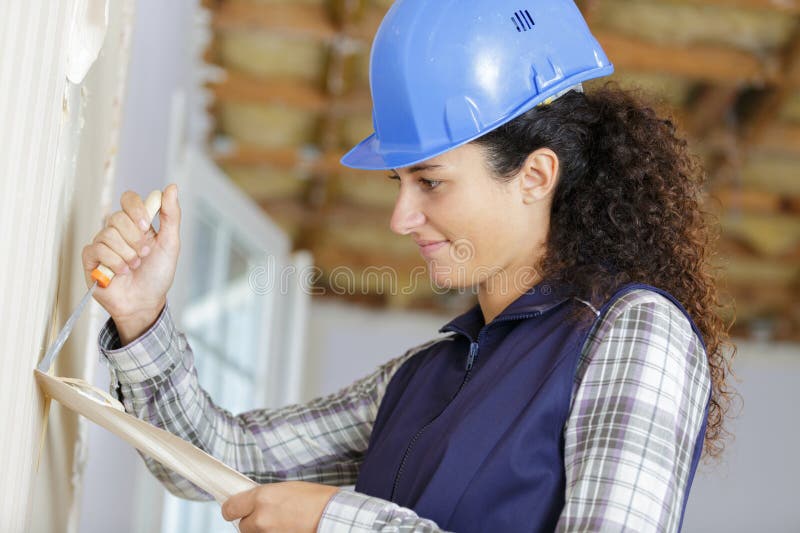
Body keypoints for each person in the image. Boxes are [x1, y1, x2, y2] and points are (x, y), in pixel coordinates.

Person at [83, 0, 735, 531]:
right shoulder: (425, 374)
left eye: (430, 182)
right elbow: (221, 459)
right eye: (399, 181)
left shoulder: (635, 334)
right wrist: (143, 319)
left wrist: (339, 521)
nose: (400, 217)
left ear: (535, 175)